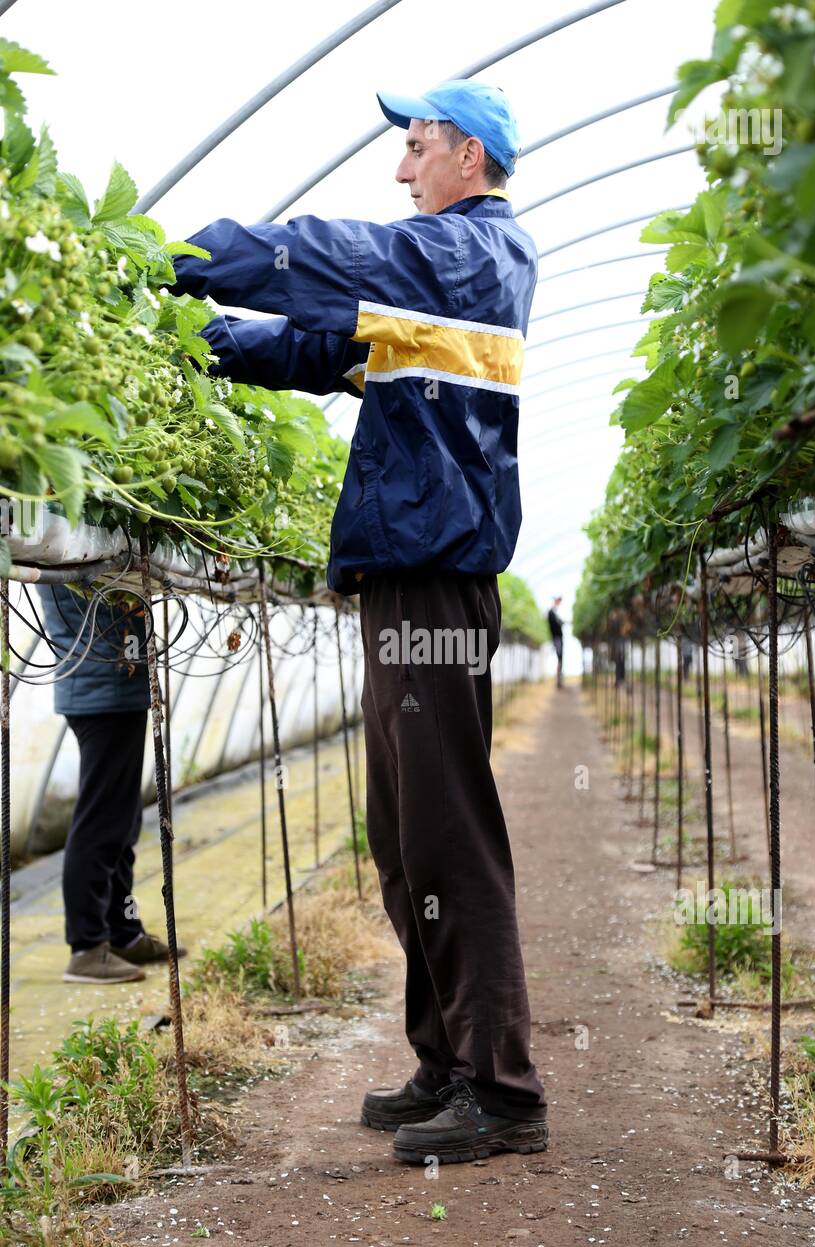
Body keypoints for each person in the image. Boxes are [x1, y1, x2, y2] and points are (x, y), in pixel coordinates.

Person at [166, 77, 548, 1164]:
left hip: (434, 581)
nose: (399, 167)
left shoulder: (470, 256)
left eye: (415, 147)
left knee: (446, 831)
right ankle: (446, 1055)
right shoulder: (435, 288)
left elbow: (327, 259)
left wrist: (177, 256)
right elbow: (316, 349)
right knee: (403, 835)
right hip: (404, 576)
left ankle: (503, 1088)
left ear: (466, 156)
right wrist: (200, 339)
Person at [40, 584, 186, 983]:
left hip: (116, 689)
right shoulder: (70, 537)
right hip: (101, 692)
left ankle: (124, 931)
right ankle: (86, 947)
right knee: (102, 824)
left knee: (121, 824)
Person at [548, 595, 565, 688]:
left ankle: (559, 681)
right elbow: (554, 627)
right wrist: (560, 623)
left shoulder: (554, 613)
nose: (559, 603)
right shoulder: (551, 613)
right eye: (558, 601)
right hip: (557, 638)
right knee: (559, 658)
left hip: (558, 638)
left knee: (560, 658)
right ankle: (558, 681)